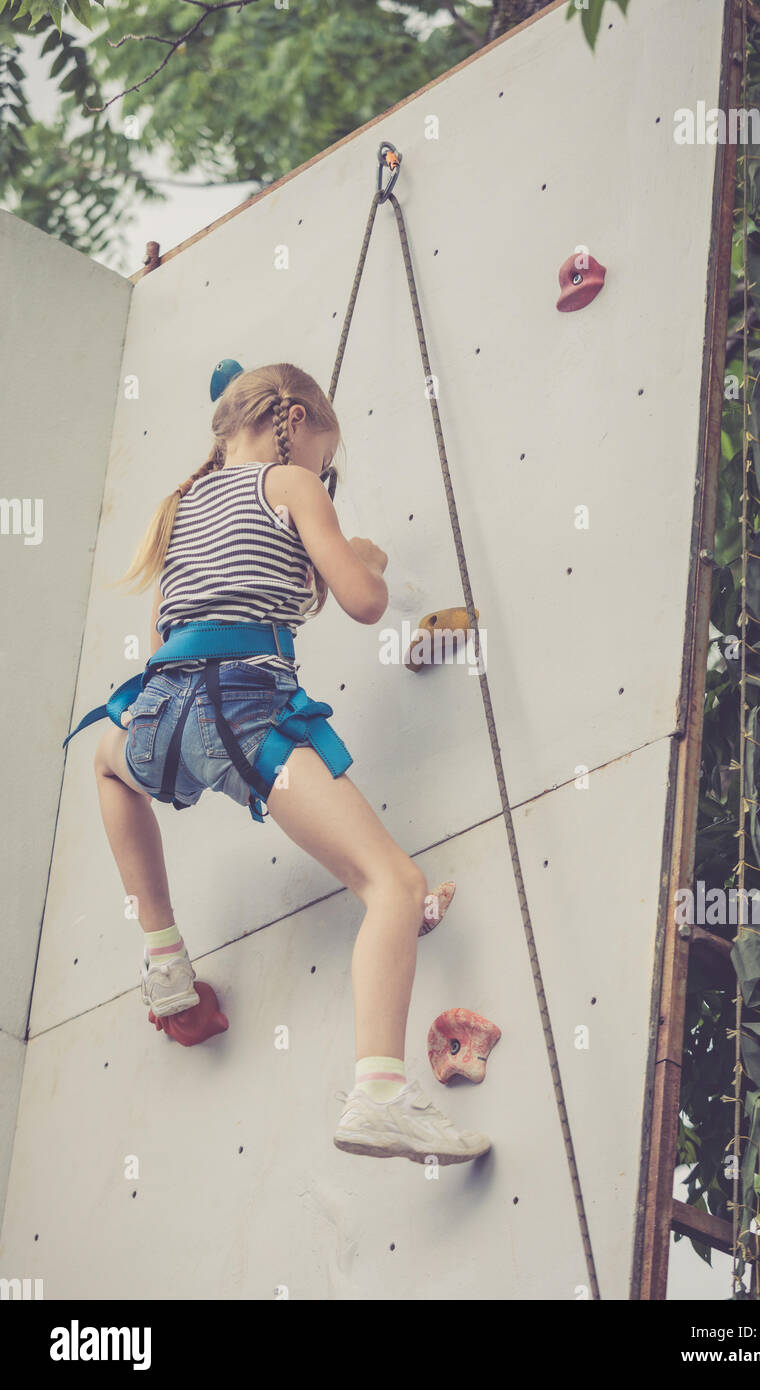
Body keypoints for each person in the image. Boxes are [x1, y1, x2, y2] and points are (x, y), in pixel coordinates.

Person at [90, 361, 490, 1167]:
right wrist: (362, 559)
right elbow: (365, 603)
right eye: (323, 461)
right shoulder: (292, 487)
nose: (321, 478)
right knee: (394, 884)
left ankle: (164, 957)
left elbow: (252, 593)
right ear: (295, 419)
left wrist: (320, 560)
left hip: (160, 715)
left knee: (104, 765)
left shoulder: (185, 503)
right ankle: (380, 1094)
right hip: (244, 714)